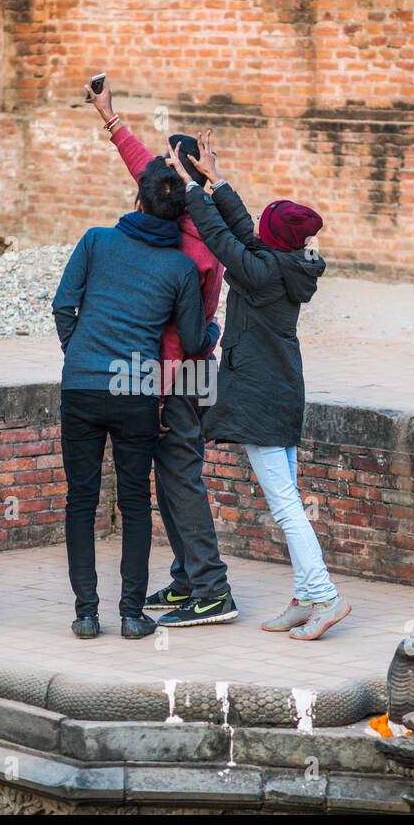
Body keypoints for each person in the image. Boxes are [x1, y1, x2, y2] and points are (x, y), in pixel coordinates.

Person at [165, 132, 350, 641]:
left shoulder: (262, 272)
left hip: (263, 398)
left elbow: (225, 241)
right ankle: (304, 596)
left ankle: (326, 597)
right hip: (283, 391)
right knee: (287, 495)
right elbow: (245, 231)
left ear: (276, 240)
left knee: (286, 504)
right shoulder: (283, 264)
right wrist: (216, 179)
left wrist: (190, 189)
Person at [84, 77, 237, 628]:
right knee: (170, 474)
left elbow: (184, 339)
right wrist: (111, 119)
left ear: (180, 179)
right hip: (181, 371)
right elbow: (143, 170)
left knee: (179, 476)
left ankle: (213, 589)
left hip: (182, 376)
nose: (157, 175)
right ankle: (187, 578)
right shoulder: (194, 209)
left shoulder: (193, 244)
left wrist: (160, 395)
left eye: (168, 167)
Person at [53, 161, 220, 640]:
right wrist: (214, 328)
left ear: (137, 200)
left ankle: (86, 614)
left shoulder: (96, 241)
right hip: (137, 393)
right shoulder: (181, 266)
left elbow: (64, 306)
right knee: (134, 501)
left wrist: (79, 353)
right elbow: (192, 341)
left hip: (81, 387)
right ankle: (131, 614)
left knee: (80, 500)